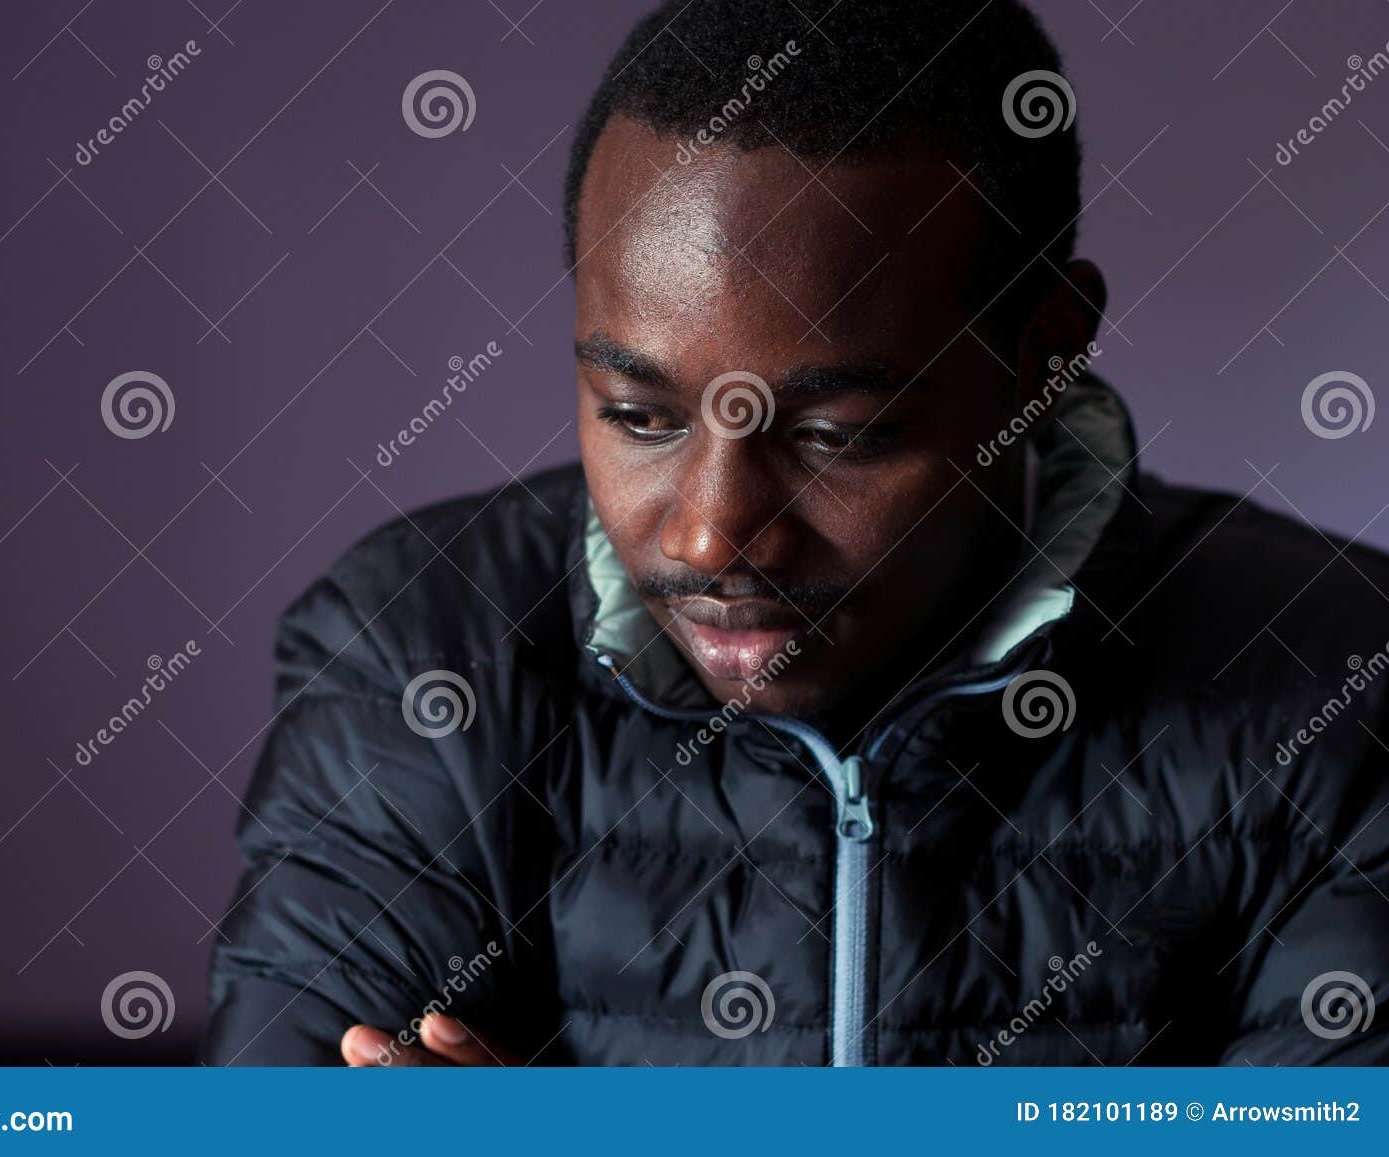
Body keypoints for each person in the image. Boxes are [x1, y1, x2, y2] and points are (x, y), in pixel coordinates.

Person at [203, 0, 1389, 1066]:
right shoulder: (419, 648)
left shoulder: (1341, 677)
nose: (714, 533)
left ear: (1040, 353)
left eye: (835, 434)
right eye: (639, 415)